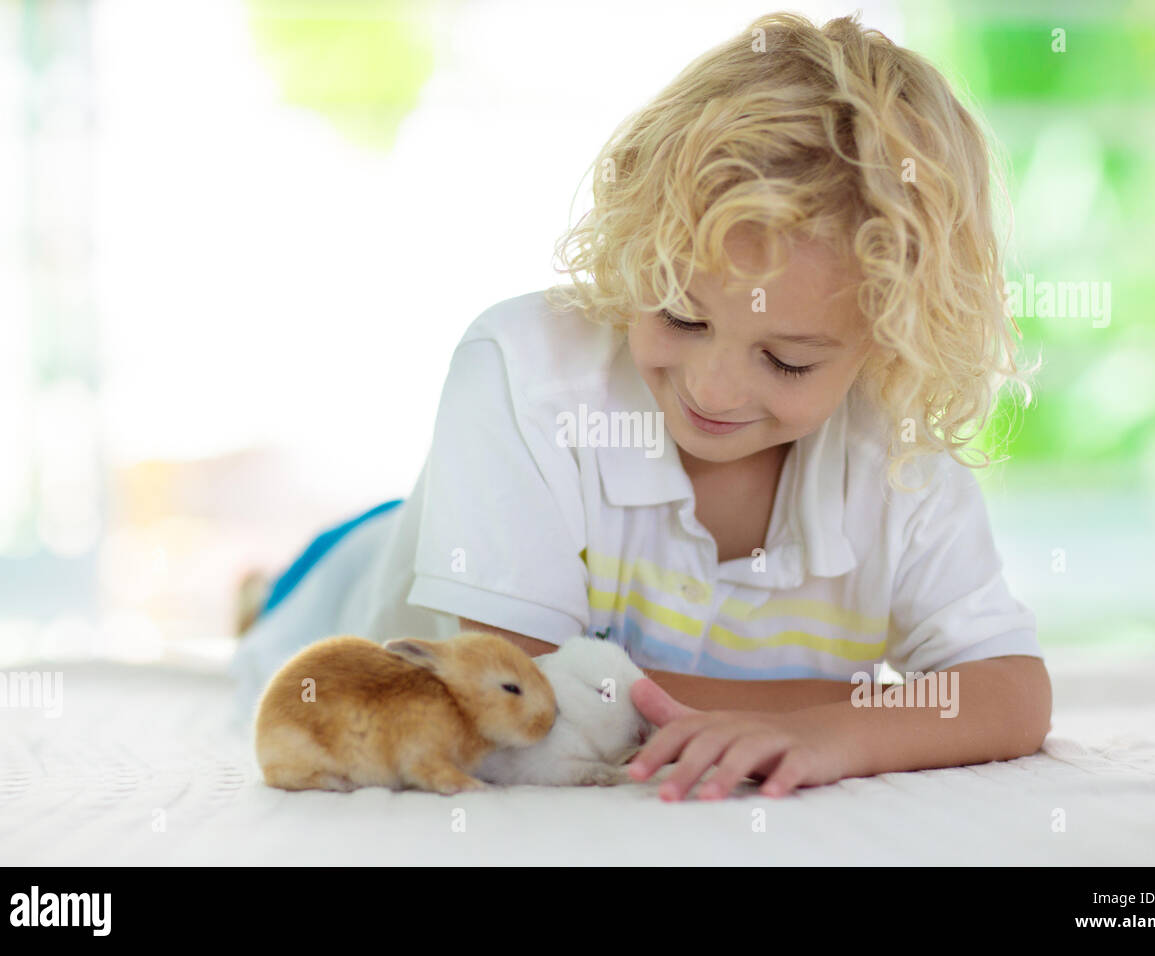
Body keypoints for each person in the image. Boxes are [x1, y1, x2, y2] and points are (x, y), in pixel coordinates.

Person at [231, 12, 1051, 801]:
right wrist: (850, 697)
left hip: (502, 537)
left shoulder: (895, 446)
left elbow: (1010, 692)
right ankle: (266, 590)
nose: (712, 390)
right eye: (681, 316)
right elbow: (527, 702)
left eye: (786, 359)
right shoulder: (522, 370)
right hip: (368, 578)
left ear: (889, 342)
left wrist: (839, 733)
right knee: (306, 589)